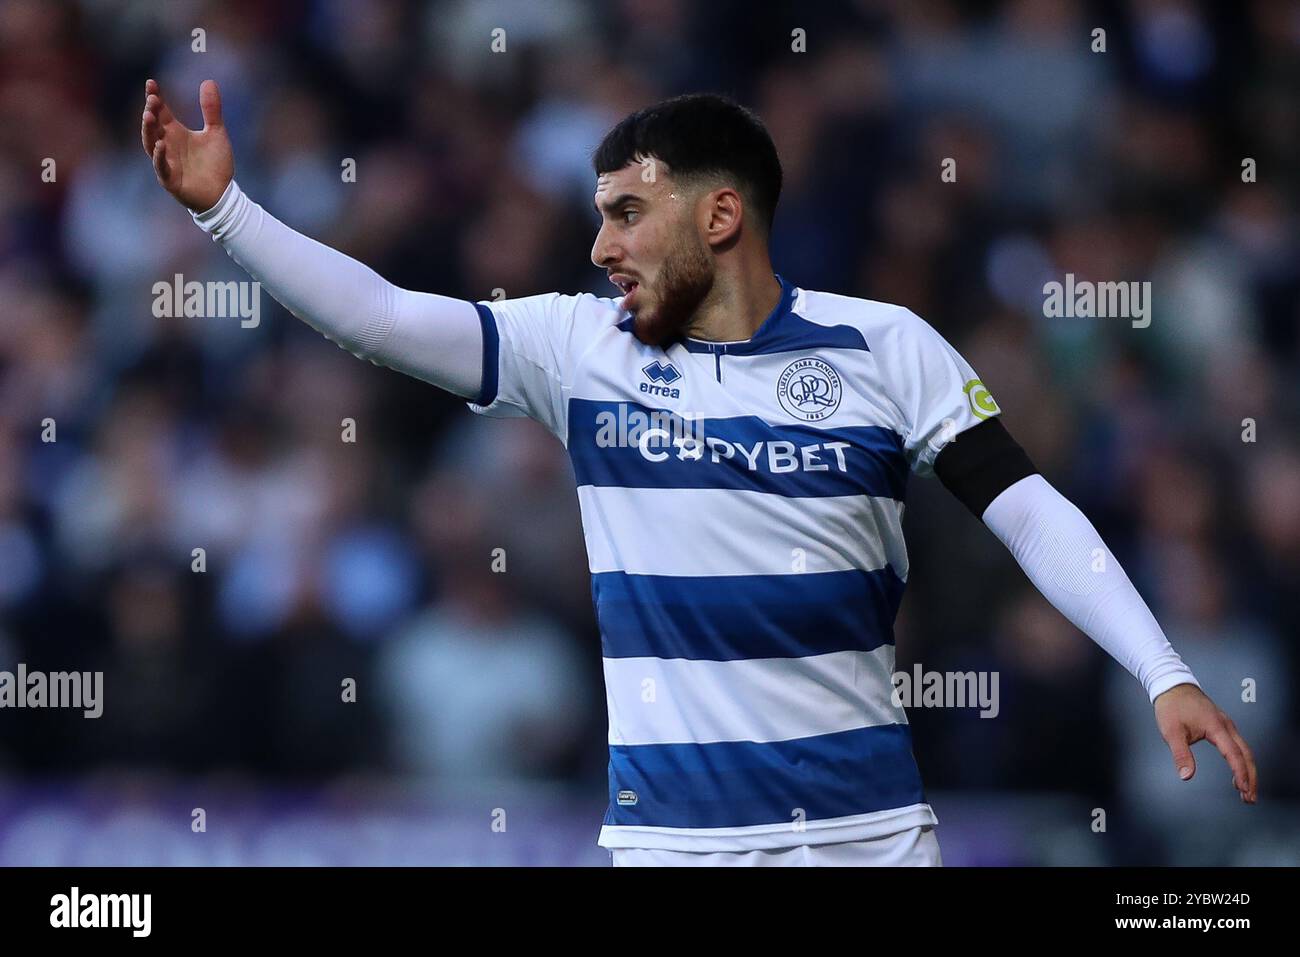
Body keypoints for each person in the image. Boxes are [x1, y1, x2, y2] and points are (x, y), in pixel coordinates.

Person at [141, 79, 1258, 867]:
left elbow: (1030, 516)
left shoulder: (887, 348)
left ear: (720, 215)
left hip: (864, 844)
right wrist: (224, 212)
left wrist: (1160, 669)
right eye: (597, 219)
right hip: (672, 847)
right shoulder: (577, 350)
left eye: (627, 214)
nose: (600, 247)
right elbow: (381, 315)